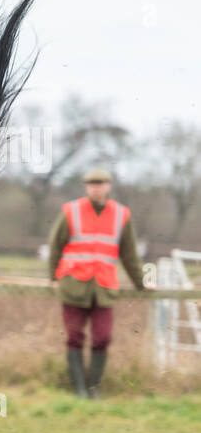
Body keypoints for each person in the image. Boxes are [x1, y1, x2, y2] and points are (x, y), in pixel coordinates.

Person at [48, 167, 147, 398]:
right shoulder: (71, 211)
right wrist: (53, 277)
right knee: (74, 337)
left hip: (104, 287)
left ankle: (94, 387)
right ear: (86, 186)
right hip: (73, 285)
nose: (96, 187)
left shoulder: (121, 214)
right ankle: (79, 388)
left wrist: (141, 283)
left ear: (108, 186)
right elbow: (56, 244)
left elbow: (129, 254)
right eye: (92, 183)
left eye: (100, 183)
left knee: (103, 337)